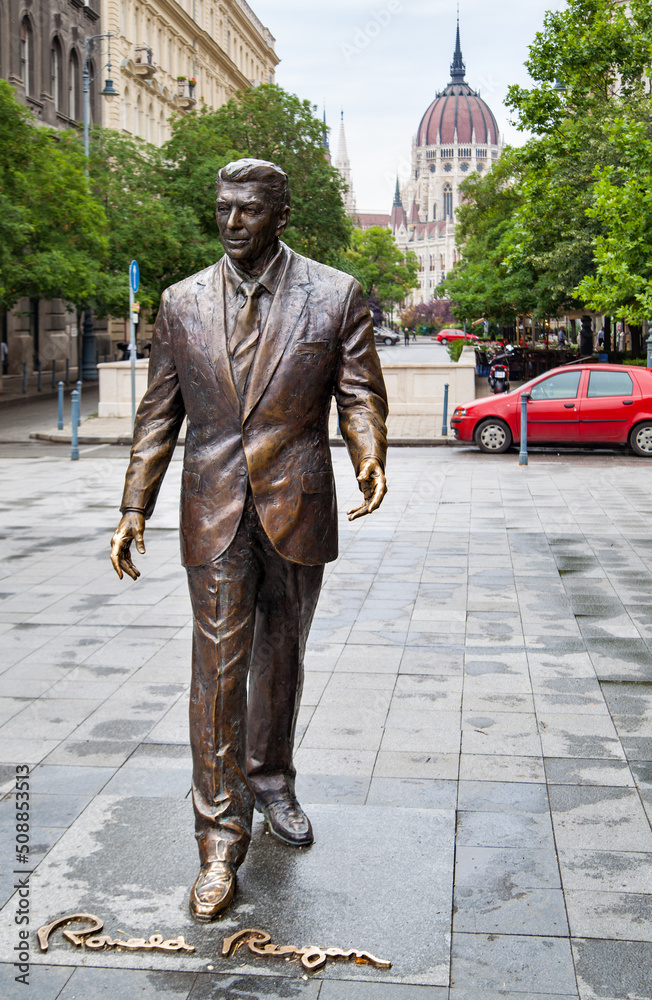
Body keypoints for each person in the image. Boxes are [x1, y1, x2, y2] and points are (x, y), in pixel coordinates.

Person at [109, 159, 388, 922]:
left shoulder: (334, 293)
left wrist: (368, 452)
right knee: (218, 668)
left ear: (280, 214)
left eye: (248, 210)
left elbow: (359, 391)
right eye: (223, 208)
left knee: (281, 657)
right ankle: (218, 840)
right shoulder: (180, 301)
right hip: (212, 507)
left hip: (296, 501)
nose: (232, 222)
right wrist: (135, 502)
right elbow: (158, 414)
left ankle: (272, 780)